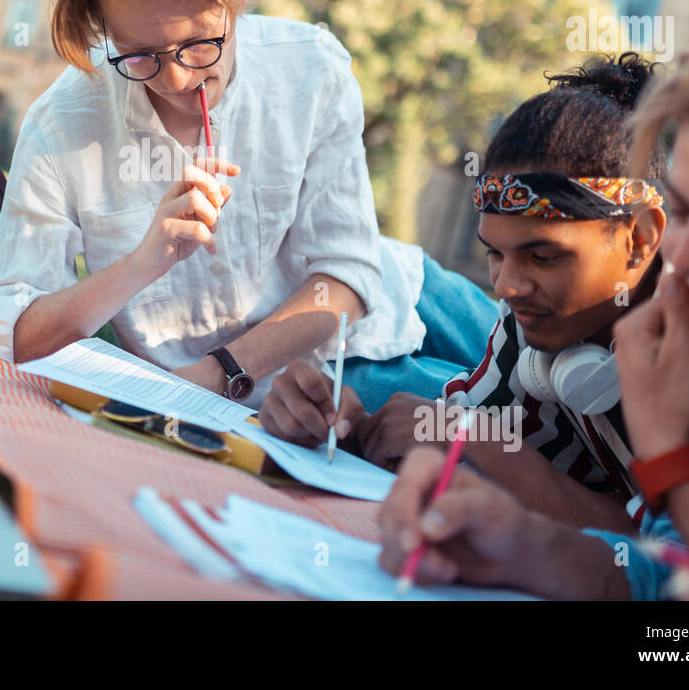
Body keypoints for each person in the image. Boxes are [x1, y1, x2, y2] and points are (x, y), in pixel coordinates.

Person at [0, 0, 496, 403]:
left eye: (198, 45)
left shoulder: (310, 67)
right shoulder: (63, 120)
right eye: (138, 55)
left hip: (413, 294)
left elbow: (350, 273)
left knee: (561, 374)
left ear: (237, 0)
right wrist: (140, 264)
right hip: (315, 379)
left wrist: (223, 372)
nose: (174, 81)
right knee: (518, 435)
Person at [376, 17, 689, 600]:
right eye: (687, 212)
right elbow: (683, 578)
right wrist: (527, 545)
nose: (687, 257)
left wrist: (672, 459)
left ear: (639, 239)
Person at [260, 54, 666, 532]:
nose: (507, 286)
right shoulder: (530, 319)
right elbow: (442, 431)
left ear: (638, 239)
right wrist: (336, 429)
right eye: (495, 253)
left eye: (544, 256)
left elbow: (670, 553)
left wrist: (473, 436)